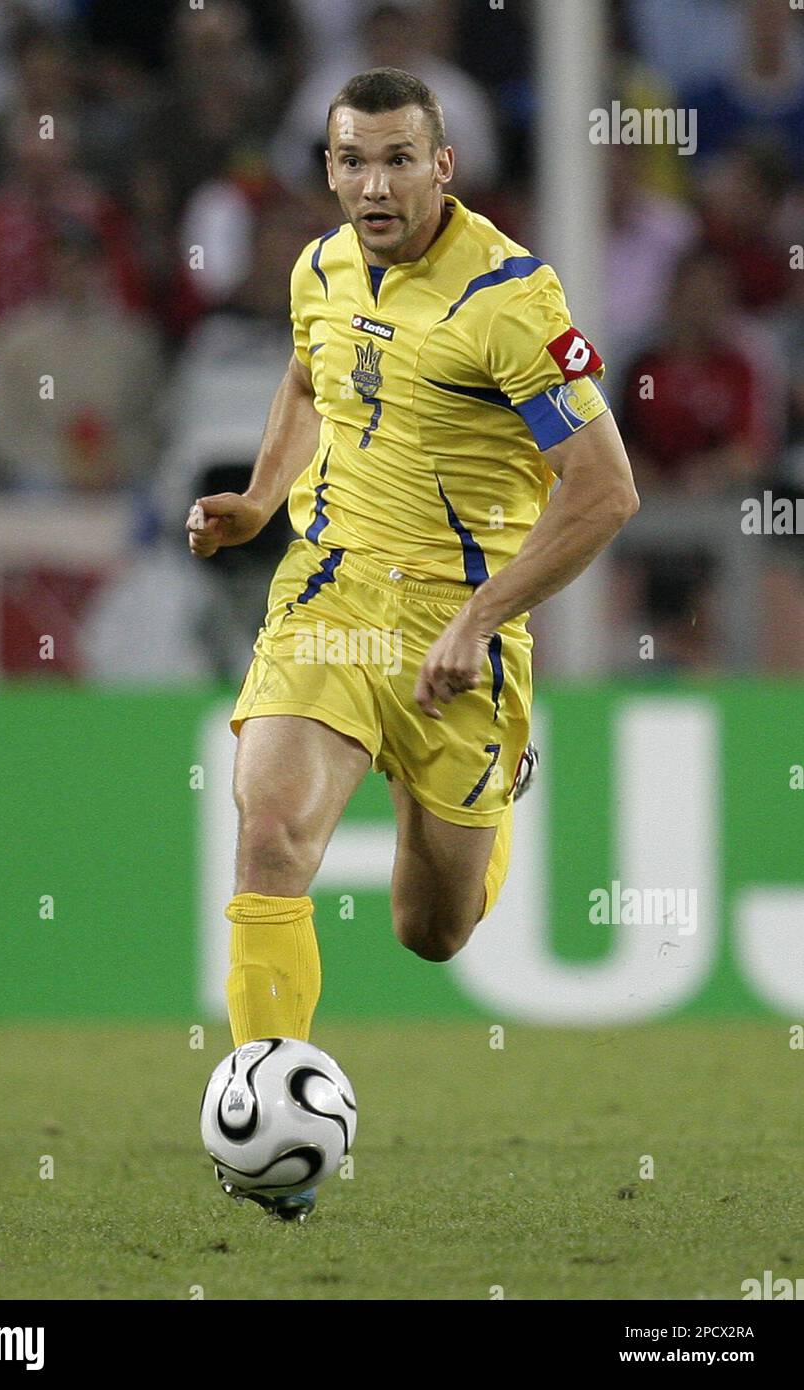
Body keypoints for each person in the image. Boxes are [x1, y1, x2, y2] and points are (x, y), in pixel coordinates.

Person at [186, 68, 639, 1221]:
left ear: (443, 165)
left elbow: (603, 492)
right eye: (351, 161)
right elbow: (305, 376)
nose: (372, 184)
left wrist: (480, 620)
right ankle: (265, 1125)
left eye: (397, 159)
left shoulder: (510, 300)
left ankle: (488, 806)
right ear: (327, 168)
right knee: (271, 829)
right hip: (326, 600)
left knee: (430, 930)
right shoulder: (319, 269)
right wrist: (257, 497)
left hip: (457, 634)